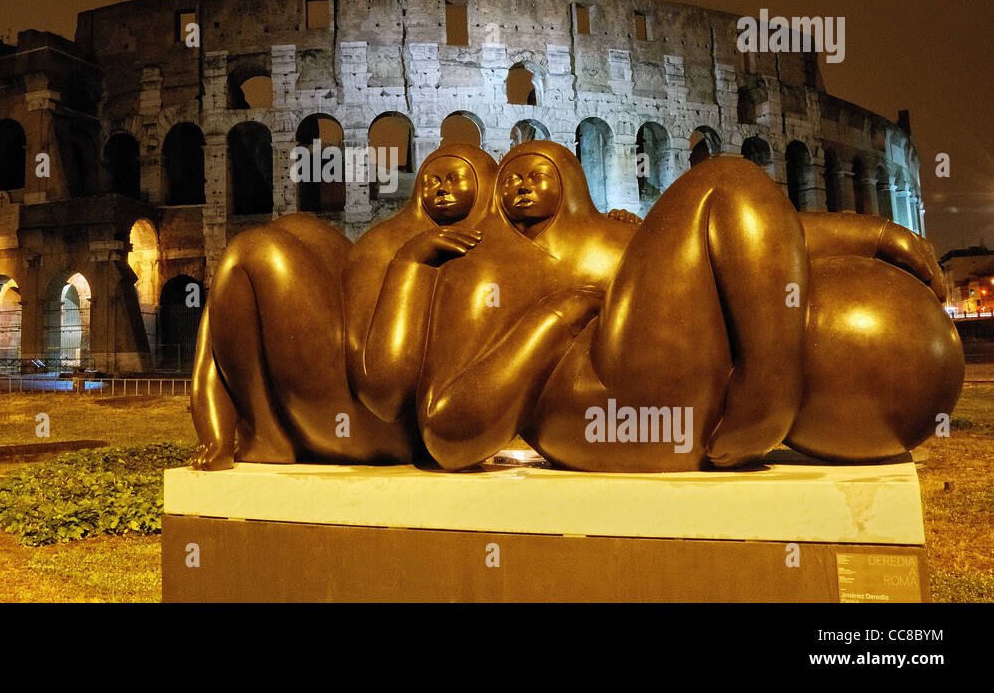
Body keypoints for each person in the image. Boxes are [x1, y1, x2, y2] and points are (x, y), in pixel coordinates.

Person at [365, 140, 962, 472]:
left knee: (721, 211)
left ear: (572, 183)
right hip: (600, 404)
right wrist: (554, 319)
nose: (520, 184)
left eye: (537, 172)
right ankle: (769, 387)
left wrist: (875, 236)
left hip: (681, 403)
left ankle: (767, 384)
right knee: (723, 181)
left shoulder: (620, 240)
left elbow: (750, 241)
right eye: (510, 177)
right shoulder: (482, 271)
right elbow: (446, 432)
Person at [190, 141, 498, 469]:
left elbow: (384, 393)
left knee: (252, 251)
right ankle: (248, 429)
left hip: (379, 427)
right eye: (433, 179)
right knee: (295, 228)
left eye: (455, 179)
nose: (442, 189)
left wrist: (410, 263)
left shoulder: (474, 262)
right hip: (364, 409)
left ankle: (264, 434)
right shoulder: (399, 236)